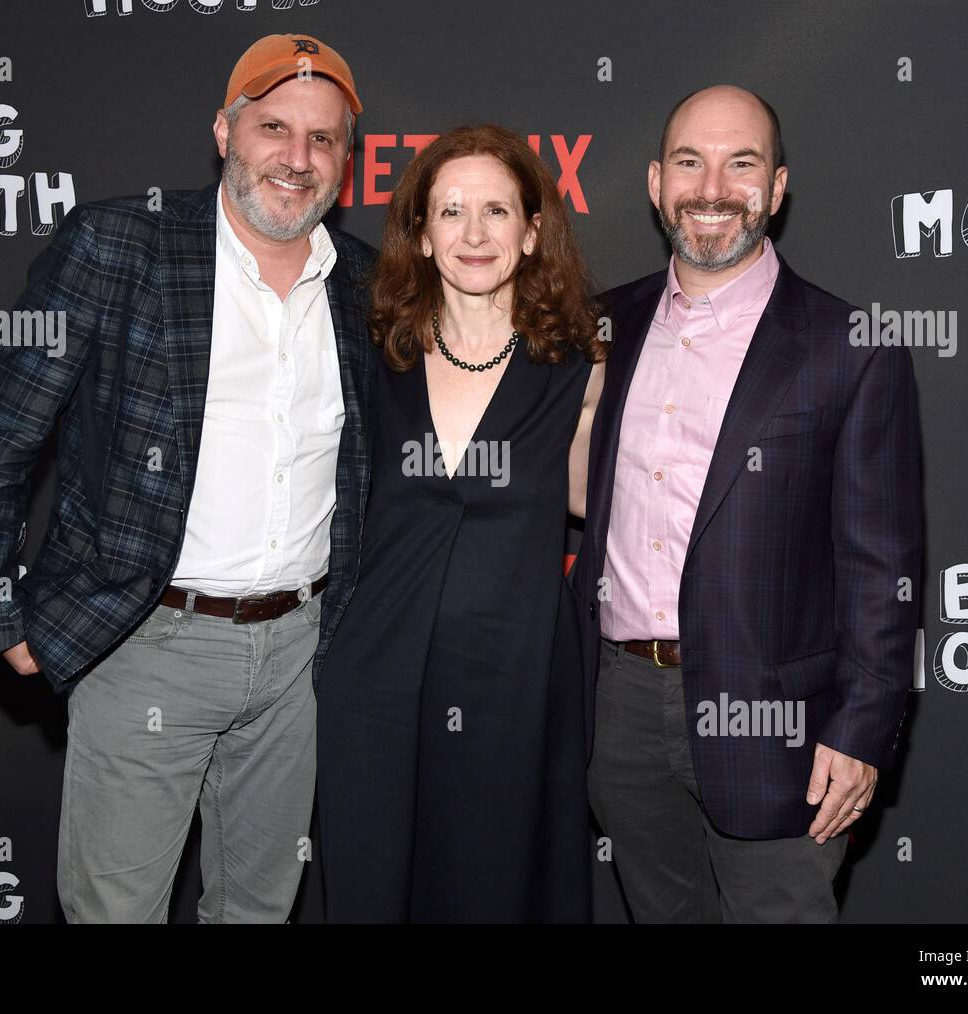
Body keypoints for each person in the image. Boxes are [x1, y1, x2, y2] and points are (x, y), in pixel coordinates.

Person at [0, 33, 376, 923]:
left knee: (257, 908)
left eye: (323, 138)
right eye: (273, 128)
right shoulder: (117, 245)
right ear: (225, 131)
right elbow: (0, 433)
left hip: (301, 655)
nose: (297, 158)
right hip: (148, 641)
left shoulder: (365, 283)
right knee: (116, 911)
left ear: (346, 158)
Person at [573, 85, 923, 923]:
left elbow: (886, 567)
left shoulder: (850, 347)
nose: (713, 188)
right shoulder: (600, 326)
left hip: (783, 723)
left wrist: (864, 728)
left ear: (776, 187)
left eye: (742, 164)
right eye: (690, 162)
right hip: (620, 709)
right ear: (657, 183)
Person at [315, 124, 606, 922]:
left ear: (533, 228)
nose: (474, 235)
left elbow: (610, 501)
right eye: (450, 212)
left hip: (515, 683)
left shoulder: (582, 367)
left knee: (497, 889)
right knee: (376, 886)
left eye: (496, 211)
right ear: (420, 231)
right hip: (375, 680)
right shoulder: (374, 352)